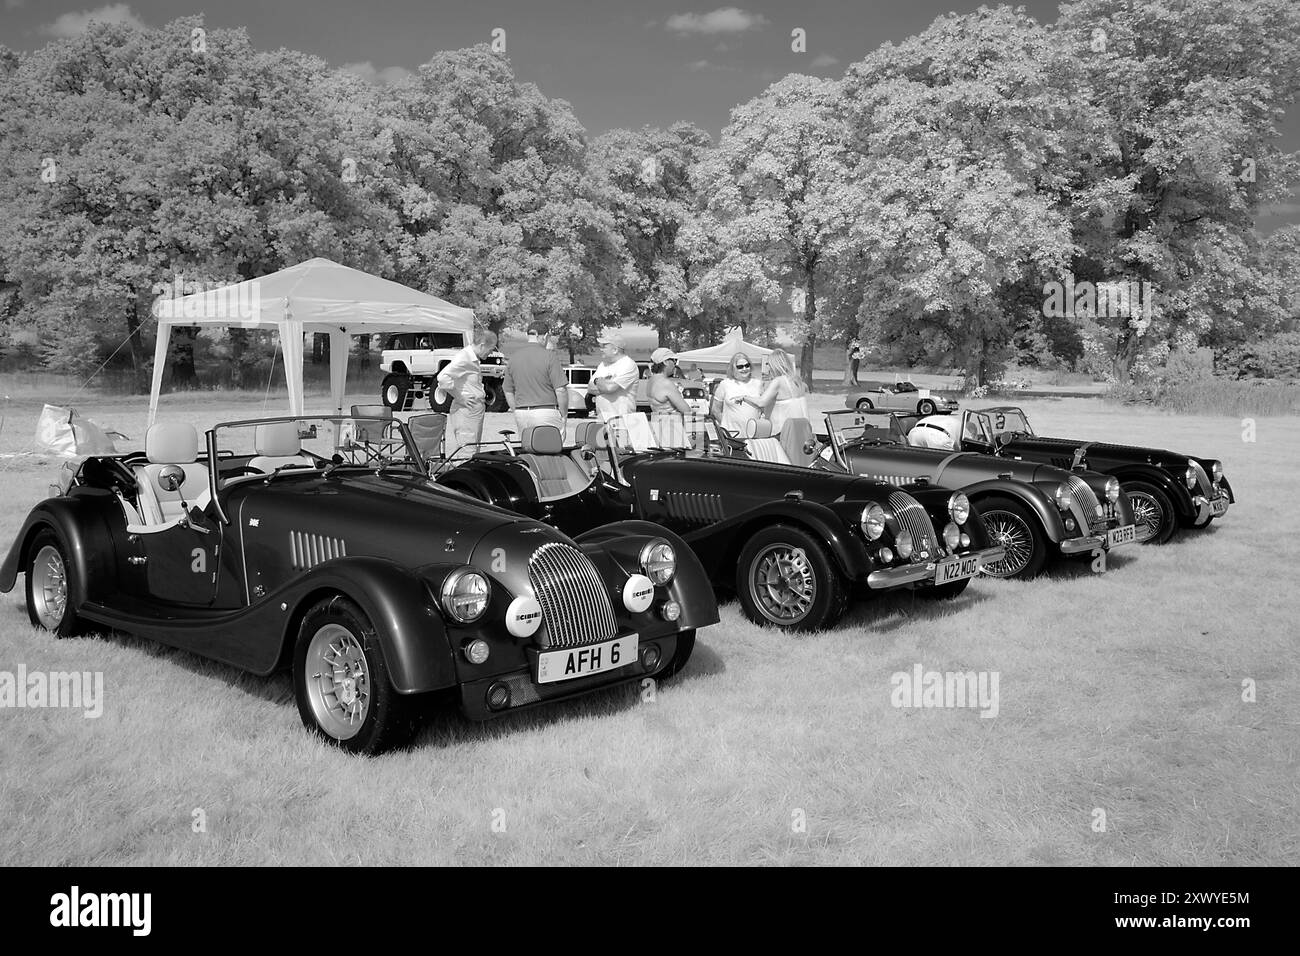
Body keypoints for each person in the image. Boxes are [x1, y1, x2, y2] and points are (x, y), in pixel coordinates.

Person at [437, 328, 497, 457]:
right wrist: (460, 397)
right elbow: (443, 378)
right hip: (467, 410)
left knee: (473, 450)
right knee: (467, 451)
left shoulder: (472, 358)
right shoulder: (464, 357)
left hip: (473, 410)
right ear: (482, 346)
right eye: (490, 350)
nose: (490, 353)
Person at [504, 320, 567, 434]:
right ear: (546, 336)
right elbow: (561, 390)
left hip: (522, 412)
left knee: (527, 448)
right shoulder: (550, 356)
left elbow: (508, 391)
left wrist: (516, 410)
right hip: (546, 411)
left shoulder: (513, 358)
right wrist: (563, 414)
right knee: (552, 448)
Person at [743, 348, 809, 434]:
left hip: (782, 433)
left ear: (775, 365)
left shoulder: (778, 381)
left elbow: (761, 402)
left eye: (768, 364)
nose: (768, 367)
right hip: (801, 432)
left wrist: (744, 397)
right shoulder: (798, 381)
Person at [588, 330, 639, 424]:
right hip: (602, 420)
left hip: (622, 422)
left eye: (604, 346)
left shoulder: (628, 365)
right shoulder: (603, 365)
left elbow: (610, 387)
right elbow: (590, 388)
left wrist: (597, 381)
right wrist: (601, 383)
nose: (601, 349)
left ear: (615, 350)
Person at [646, 347, 693, 447]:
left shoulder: (651, 381)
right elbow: (686, 410)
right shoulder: (666, 383)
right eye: (674, 361)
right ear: (666, 362)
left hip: (657, 427)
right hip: (671, 430)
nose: (675, 365)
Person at [710, 352, 763, 437]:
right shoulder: (725, 384)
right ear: (733, 368)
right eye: (740, 367)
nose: (744, 369)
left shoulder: (758, 384)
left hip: (754, 435)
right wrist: (726, 427)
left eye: (747, 365)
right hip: (732, 436)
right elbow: (715, 410)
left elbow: (763, 407)